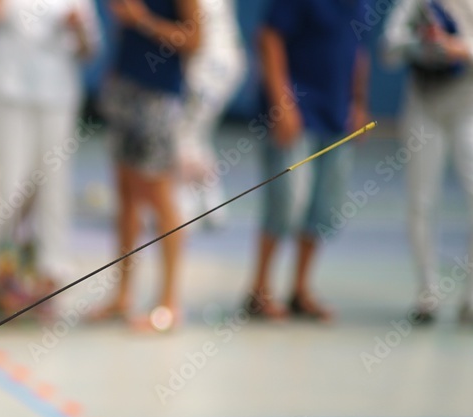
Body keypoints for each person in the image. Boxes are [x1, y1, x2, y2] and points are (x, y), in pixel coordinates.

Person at [245, 0, 371, 322]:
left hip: (336, 114)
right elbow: (269, 38)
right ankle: (258, 291)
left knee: (324, 205)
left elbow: (356, 49)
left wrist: (357, 102)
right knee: (286, 201)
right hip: (296, 111)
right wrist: (282, 103)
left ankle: (300, 289)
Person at [0, 0, 101, 314]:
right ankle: (2, 275)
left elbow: (90, 49)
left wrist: (78, 29)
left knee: (54, 187)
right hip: (11, 95)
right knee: (10, 187)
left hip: (58, 97)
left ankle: (50, 276)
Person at [93, 0, 200, 332]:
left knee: (159, 194)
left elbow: (195, 41)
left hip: (159, 96)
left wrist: (144, 21)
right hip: (125, 88)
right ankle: (123, 295)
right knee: (125, 194)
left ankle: (169, 303)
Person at [383, 0, 473, 324]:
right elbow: (389, 49)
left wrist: (458, 48)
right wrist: (421, 44)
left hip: (468, 106)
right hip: (423, 103)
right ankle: (427, 293)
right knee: (420, 201)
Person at [176, 0, 246, 230]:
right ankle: (213, 206)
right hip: (226, 65)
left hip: (209, 70)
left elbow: (191, 37)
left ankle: (186, 208)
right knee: (197, 135)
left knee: (183, 135)